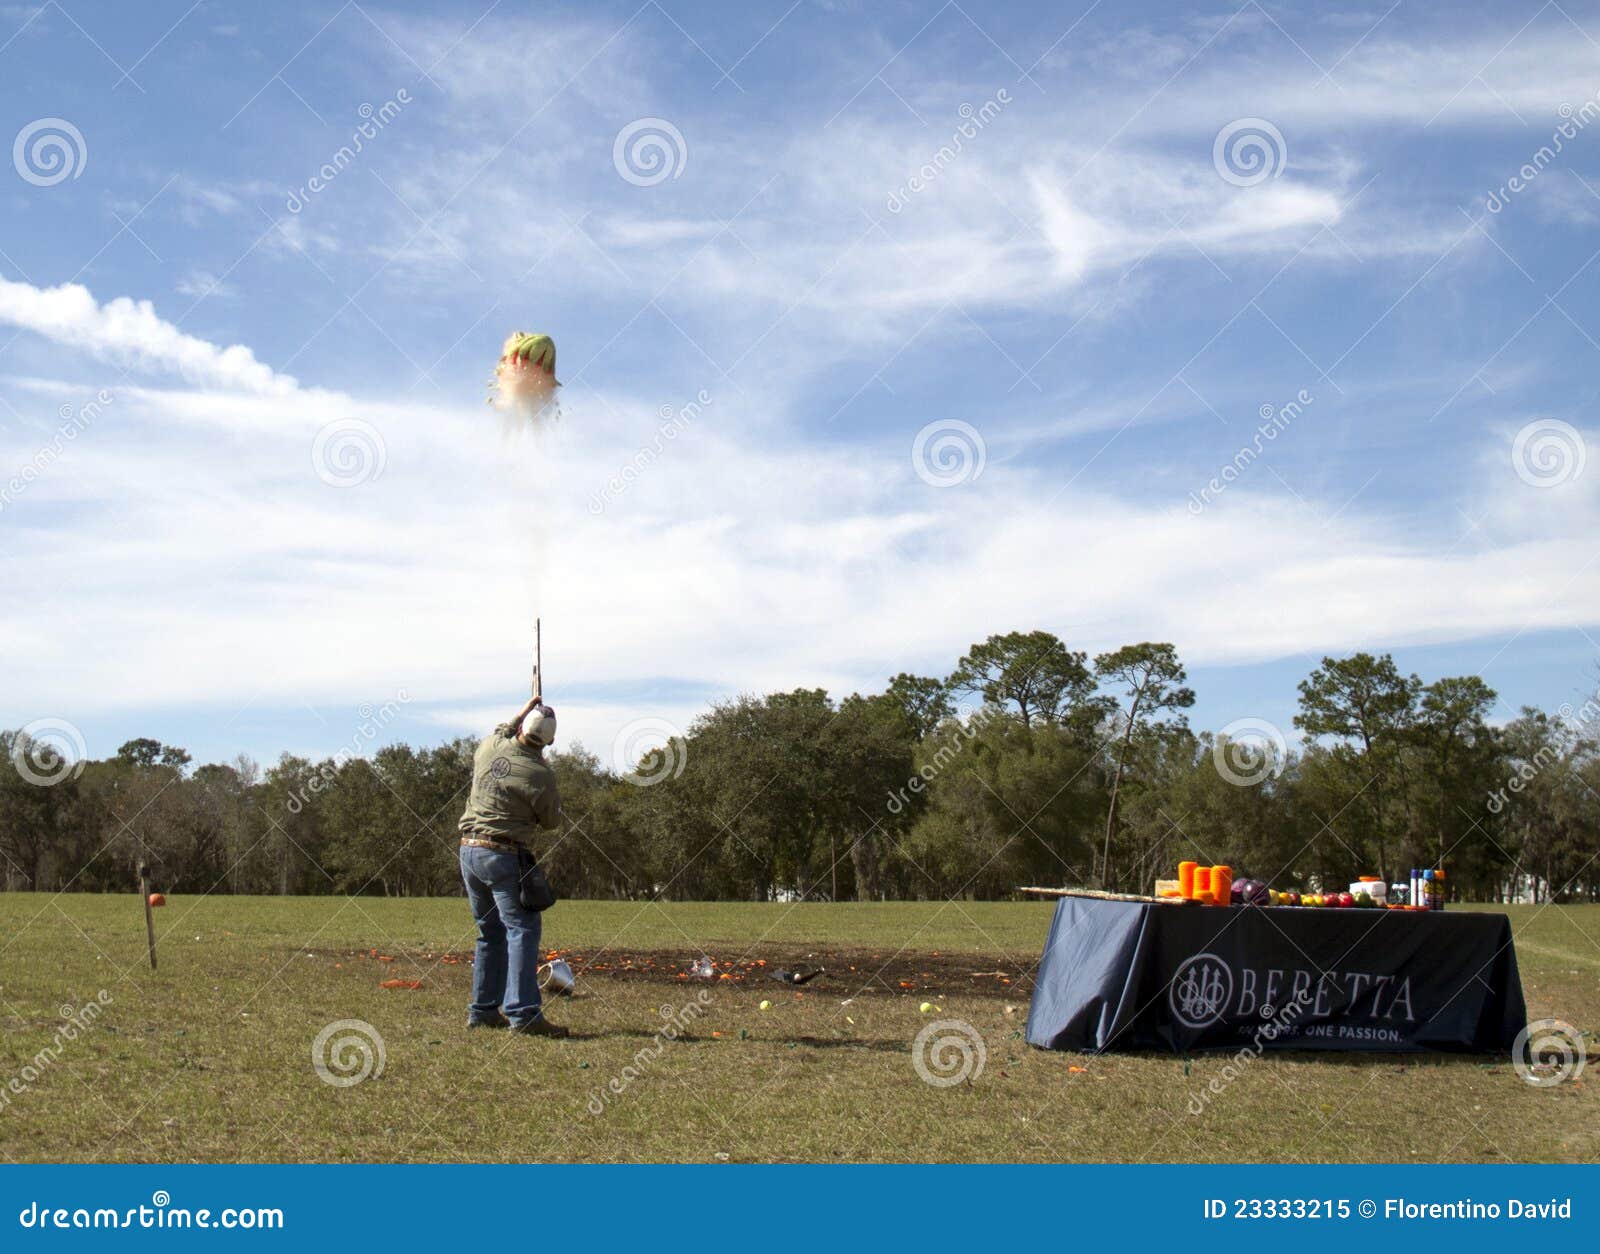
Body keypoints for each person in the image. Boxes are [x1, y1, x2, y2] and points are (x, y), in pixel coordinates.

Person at [457, 693, 567, 1036]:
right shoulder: (539, 773)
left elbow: (501, 729)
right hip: (501, 854)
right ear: (548, 742)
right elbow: (551, 821)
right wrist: (547, 775)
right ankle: (523, 1014)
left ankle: (483, 1010)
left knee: (489, 933)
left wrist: (523, 709)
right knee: (522, 930)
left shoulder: (490, 747)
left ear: (520, 727)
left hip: (468, 851)